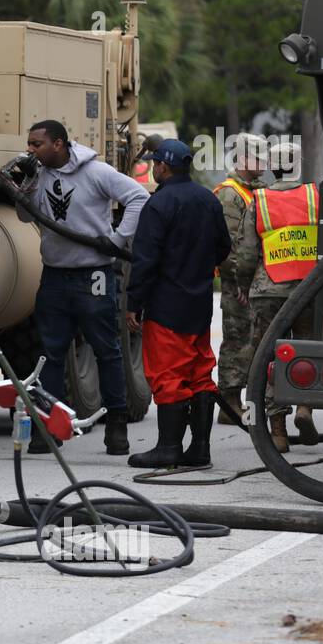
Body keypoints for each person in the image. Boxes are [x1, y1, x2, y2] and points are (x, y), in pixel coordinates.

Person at [16, 119, 149, 455]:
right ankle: (49, 428)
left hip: (93, 274)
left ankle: (116, 426)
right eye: (30, 144)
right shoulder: (40, 173)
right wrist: (27, 185)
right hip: (56, 275)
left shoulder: (96, 172)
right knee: (50, 354)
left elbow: (137, 197)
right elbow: (24, 217)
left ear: (59, 144)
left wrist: (118, 239)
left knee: (107, 349)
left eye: (37, 144)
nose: (31, 150)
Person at [125, 138, 232, 469]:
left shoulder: (158, 205)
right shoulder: (207, 200)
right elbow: (223, 248)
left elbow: (145, 261)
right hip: (198, 305)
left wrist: (134, 302)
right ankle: (200, 449)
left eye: (155, 164)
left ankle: (168, 448)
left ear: (162, 167)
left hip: (166, 306)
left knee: (168, 375)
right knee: (200, 373)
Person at [235, 140, 320, 452]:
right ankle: (305, 407)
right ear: (298, 165)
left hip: (268, 292)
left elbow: (245, 254)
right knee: (307, 351)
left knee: (268, 360)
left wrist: (243, 286)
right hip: (309, 290)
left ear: (271, 167)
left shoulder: (260, 200)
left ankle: (279, 432)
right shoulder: (314, 196)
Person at [212, 133, 268, 423]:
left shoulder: (255, 190)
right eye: (259, 157)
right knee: (236, 339)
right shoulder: (230, 194)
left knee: (251, 340)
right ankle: (229, 401)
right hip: (238, 284)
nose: (265, 162)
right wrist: (240, 283)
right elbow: (229, 246)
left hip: (254, 281)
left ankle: (238, 398)